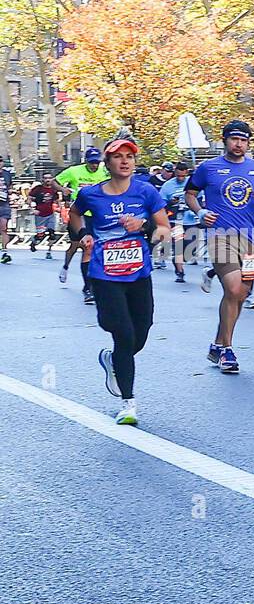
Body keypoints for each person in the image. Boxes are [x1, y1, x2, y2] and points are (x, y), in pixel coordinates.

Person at [68, 139, 170, 425]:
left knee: (142, 330)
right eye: (118, 157)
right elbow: (75, 214)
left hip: (139, 273)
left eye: (130, 157)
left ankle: (114, 360)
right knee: (123, 334)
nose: (125, 161)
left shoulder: (146, 192)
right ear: (107, 163)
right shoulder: (91, 194)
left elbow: (165, 230)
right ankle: (128, 402)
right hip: (105, 273)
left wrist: (145, 226)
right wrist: (84, 233)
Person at [185, 119, 254, 374]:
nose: (239, 144)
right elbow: (190, 193)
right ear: (225, 140)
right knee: (234, 288)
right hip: (220, 235)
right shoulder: (209, 167)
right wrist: (201, 211)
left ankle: (217, 344)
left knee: (242, 293)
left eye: (244, 140)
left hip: (250, 238)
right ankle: (227, 349)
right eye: (234, 139)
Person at [56, 148, 110, 302]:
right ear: (85, 161)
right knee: (76, 246)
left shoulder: (104, 172)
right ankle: (67, 266)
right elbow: (55, 181)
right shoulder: (74, 171)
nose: (94, 165)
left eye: (97, 162)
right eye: (92, 162)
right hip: (78, 215)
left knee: (92, 248)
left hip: (98, 215)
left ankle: (90, 287)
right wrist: (63, 189)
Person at [158, 161, 196, 281]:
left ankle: (183, 258)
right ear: (175, 173)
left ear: (186, 174)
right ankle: (180, 272)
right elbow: (160, 204)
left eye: (183, 176)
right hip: (175, 220)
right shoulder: (168, 186)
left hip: (191, 220)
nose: (181, 178)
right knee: (178, 246)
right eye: (178, 176)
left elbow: (200, 198)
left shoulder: (192, 183)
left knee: (190, 248)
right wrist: (170, 203)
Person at [28, 173, 61, 259]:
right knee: (40, 235)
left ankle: (49, 251)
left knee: (52, 234)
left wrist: (59, 208)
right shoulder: (38, 189)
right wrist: (32, 209)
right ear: (42, 179)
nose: (48, 180)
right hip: (40, 214)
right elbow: (29, 198)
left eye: (49, 178)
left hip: (50, 214)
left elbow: (57, 200)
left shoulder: (54, 189)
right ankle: (34, 242)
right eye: (45, 178)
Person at [0, 158, 12, 264]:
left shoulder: (7, 174)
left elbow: (10, 186)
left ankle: (4, 252)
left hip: (4, 204)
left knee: (4, 228)